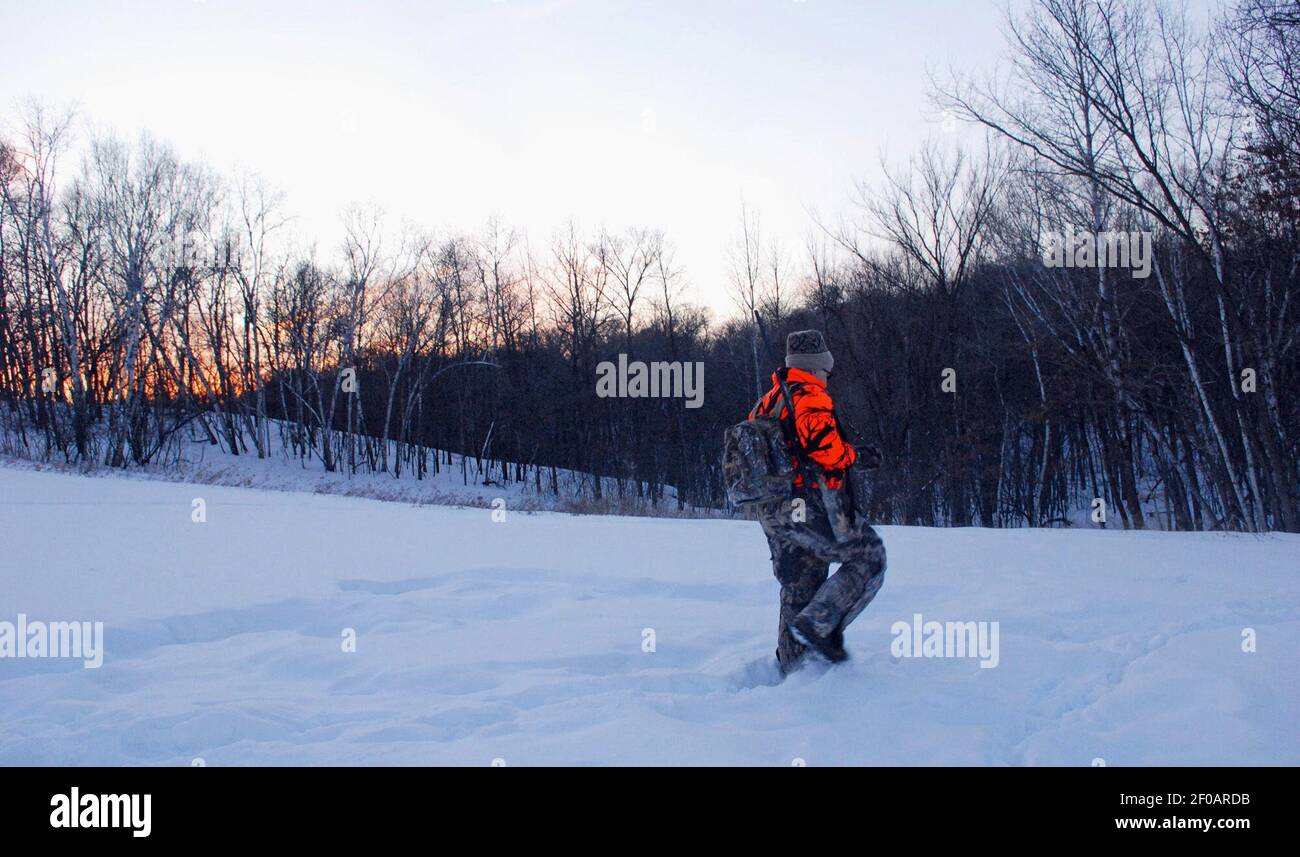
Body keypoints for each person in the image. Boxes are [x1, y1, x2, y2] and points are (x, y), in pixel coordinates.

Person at [749, 329, 886, 673]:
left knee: (799, 585)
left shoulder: (767, 401)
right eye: (826, 370)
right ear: (814, 367)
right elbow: (825, 451)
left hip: (773, 510)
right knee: (869, 557)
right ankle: (819, 625)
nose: (828, 378)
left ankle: (794, 670)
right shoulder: (810, 396)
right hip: (806, 505)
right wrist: (857, 456)